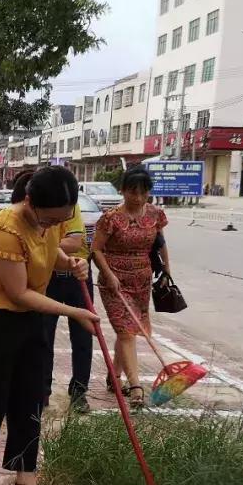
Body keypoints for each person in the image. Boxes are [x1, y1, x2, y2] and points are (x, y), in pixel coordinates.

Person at [0, 166, 98, 485]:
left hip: (29, 324)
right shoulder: (5, 229)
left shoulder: (45, 224)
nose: (53, 227)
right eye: (49, 219)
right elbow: (20, 294)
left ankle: (26, 484)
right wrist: (74, 311)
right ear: (31, 201)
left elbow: (52, 252)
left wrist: (74, 263)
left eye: (61, 222)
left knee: (30, 401)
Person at [91, 167, 170, 410]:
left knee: (129, 330)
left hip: (142, 280)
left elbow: (160, 243)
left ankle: (114, 377)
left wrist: (166, 271)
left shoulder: (156, 214)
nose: (138, 198)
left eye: (143, 193)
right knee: (125, 331)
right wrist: (108, 274)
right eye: (133, 192)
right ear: (123, 190)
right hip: (113, 281)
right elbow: (95, 249)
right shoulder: (111, 218)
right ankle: (135, 386)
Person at [40, 196, 94, 412]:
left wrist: (39, 243)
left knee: (83, 334)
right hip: (49, 276)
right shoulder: (39, 211)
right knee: (43, 336)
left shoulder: (70, 209)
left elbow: (74, 242)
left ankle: (79, 391)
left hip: (77, 275)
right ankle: (42, 391)